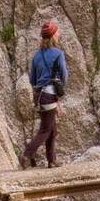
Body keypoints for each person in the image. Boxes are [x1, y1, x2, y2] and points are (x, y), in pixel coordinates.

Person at [20, 20, 67, 168]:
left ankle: (51, 159)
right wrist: (58, 87)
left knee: (51, 129)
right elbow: (64, 76)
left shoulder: (36, 56)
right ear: (53, 35)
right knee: (46, 130)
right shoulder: (58, 54)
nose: (58, 34)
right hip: (49, 96)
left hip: (39, 96)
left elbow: (32, 79)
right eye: (57, 32)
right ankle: (26, 154)